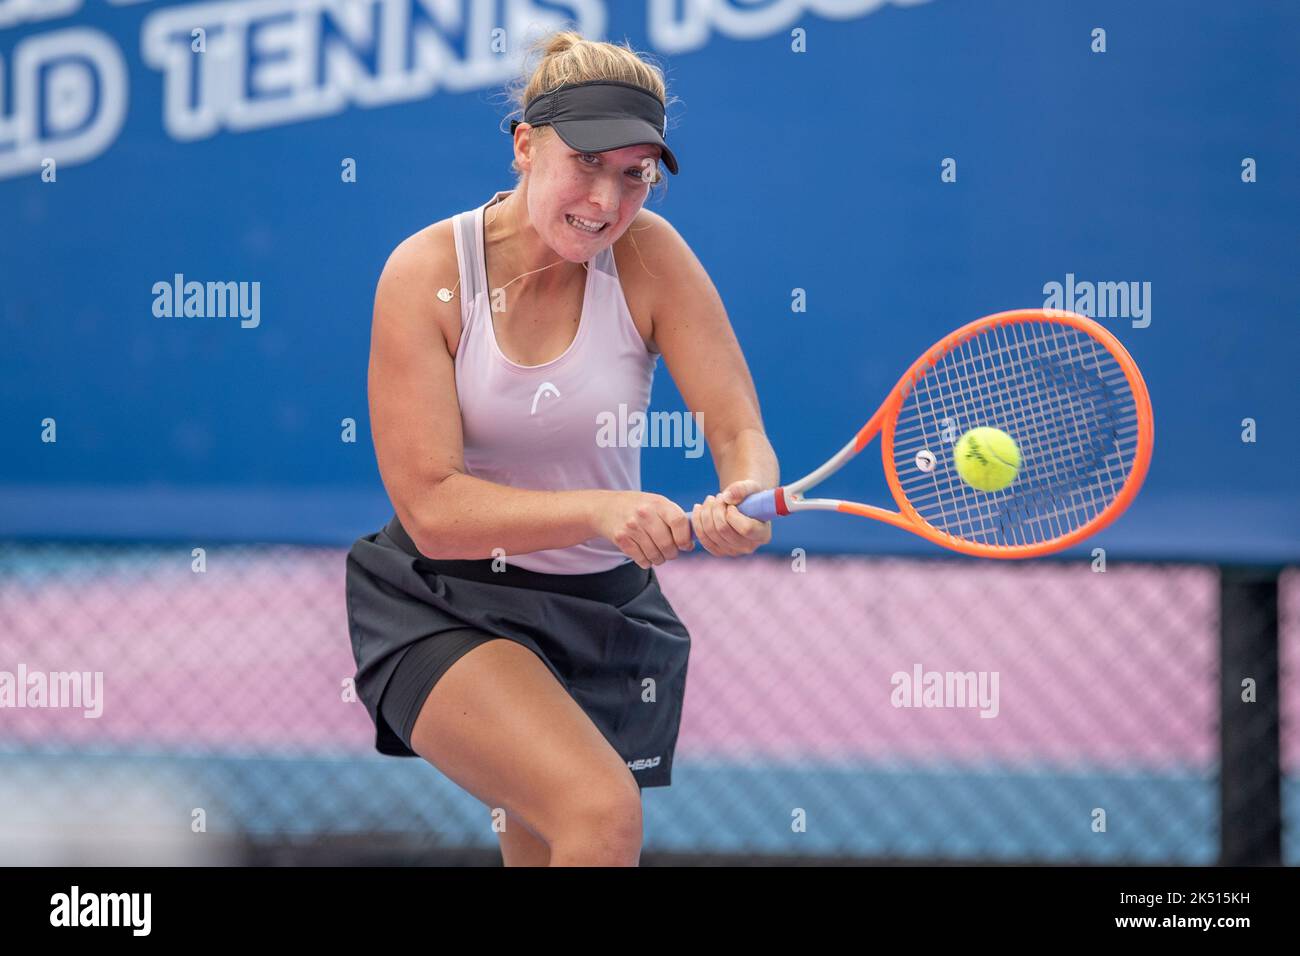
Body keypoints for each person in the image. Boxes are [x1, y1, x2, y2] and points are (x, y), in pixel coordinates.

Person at [345, 29, 777, 866]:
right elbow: (433, 509)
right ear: (524, 146)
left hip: (602, 613)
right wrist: (602, 511)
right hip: (446, 602)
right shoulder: (426, 272)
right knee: (598, 811)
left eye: (635, 174)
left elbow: (738, 433)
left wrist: (744, 497)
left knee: (548, 846)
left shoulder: (654, 259)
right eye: (586, 162)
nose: (608, 200)